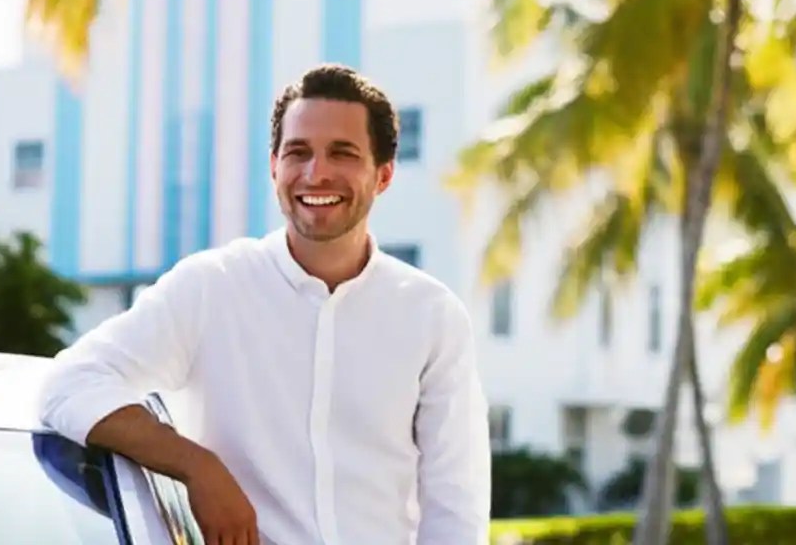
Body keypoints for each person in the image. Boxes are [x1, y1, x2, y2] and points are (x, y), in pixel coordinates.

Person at [38, 63, 491, 544]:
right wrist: (197, 466)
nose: (317, 173)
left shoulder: (431, 316)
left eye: (343, 153)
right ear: (275, 166)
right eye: (298, 152)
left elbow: (454, 508)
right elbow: (69, 386)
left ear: (383, 175)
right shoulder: (211, 288)